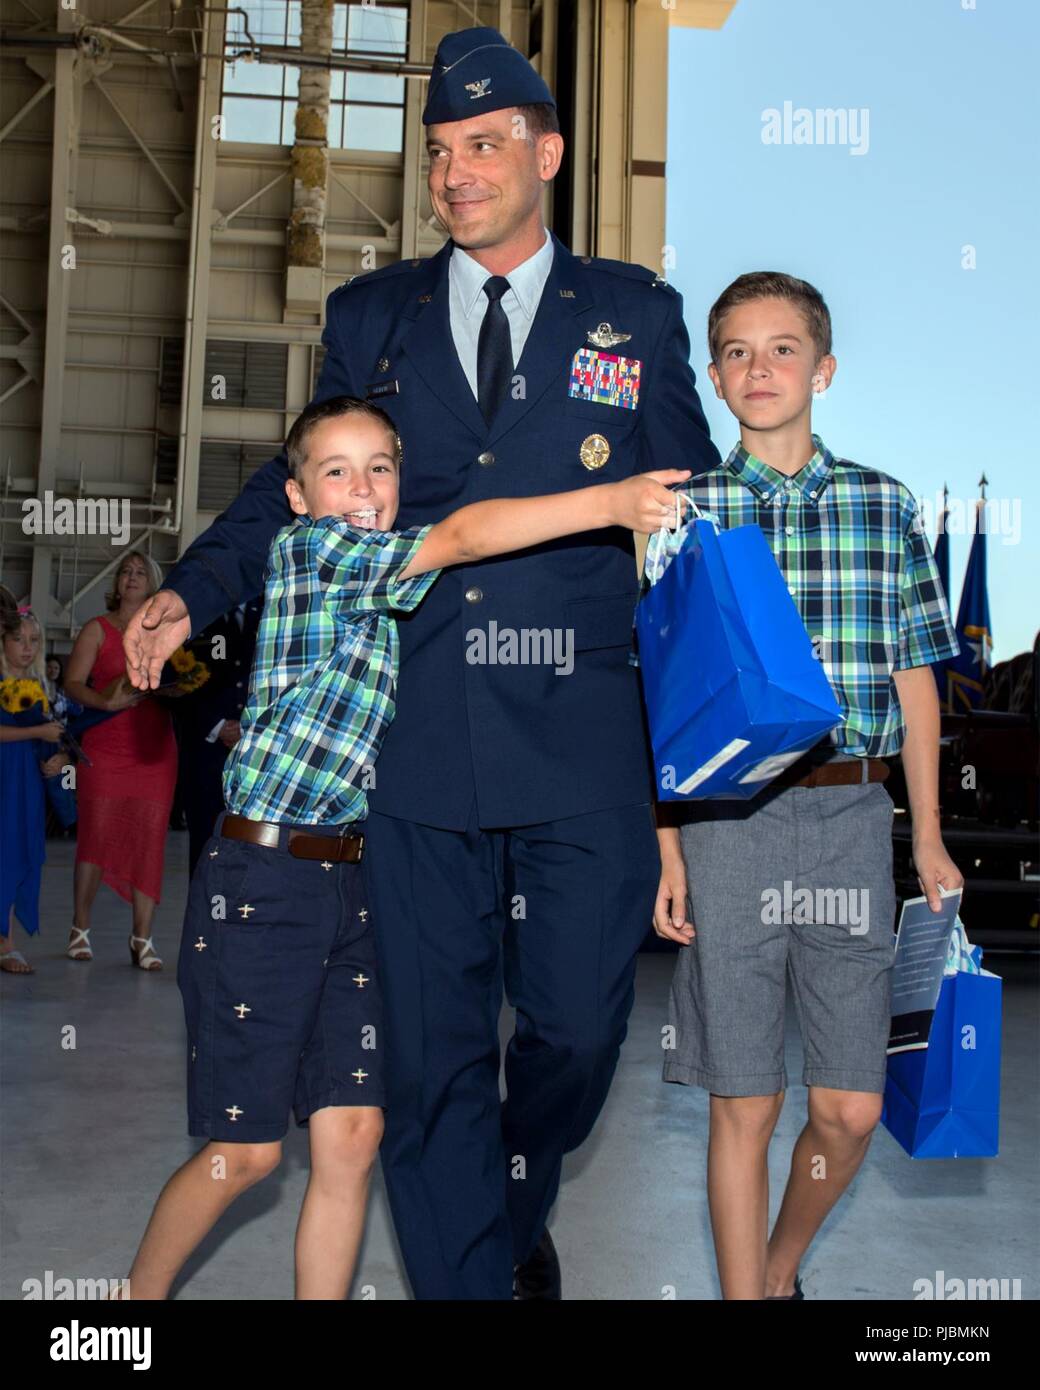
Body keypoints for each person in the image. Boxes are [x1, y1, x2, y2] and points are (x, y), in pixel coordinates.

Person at [124, 25, 719, 1301]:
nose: (457, 173)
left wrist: (697, 762)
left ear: (546, 154)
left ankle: (508, 1200)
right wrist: (190, 589)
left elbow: (694, 520)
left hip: (581, 740)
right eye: (441, 151)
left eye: (486, 146)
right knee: (431, 1055)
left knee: (572, 1028)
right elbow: (300, 489)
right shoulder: (370, 315)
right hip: (416, 746)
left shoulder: (632, 311)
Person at [118, 393, 688, 1300]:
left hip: (350, 882)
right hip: (264, 881)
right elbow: (462, 539)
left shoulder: (383, 583)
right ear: (296, 496)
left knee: (352, 1139)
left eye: (380, 467)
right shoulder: (322, 553)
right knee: (248, 1152)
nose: (361, 487)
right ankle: (126, 1314)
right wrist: (607, 502)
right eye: (334, 471)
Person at [653, 271, 964, 1300]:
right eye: (736, 352)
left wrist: (923, 834)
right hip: (727, 823)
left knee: (847, 1107)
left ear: (822, 368)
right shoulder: (678, 514)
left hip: (848, 816)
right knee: (741, 1098)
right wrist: (666, 844)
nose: (759, 368)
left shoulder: (883, 504)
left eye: (782, 348)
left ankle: (779, 1268)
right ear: (711, 377)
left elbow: (914, 679)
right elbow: (656, 698)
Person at [63, 550, 178, 968]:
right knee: (96, 835)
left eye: (140, 572)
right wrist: (105, 704)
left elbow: (187, 677)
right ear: (116, 583)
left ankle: (142, 939)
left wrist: (180, 690)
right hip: (105, 747)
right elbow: (72, 684)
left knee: (150, 840)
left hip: (155, 749)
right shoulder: (97, 629)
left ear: (153, 584)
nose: (131, 577)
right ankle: (80, 928)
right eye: (125, 572)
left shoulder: (167, 631)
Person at [173, 599, 262, 876]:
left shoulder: (272, 607)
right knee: (204, 842)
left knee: (253, 846)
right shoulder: (196, 612)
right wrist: (217, 724)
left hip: (256, 752)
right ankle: (204, 917)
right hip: (205, 748)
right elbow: (175, 675)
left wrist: (250, 727)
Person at [0, 604, 65, 974]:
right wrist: (36, 732)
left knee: (17, 853)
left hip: (24, 778)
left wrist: (55, 759)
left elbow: (49, 740)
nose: (27, 647)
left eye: (34, 641)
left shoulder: (38, 688)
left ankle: (7, 942)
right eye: (18, 639)